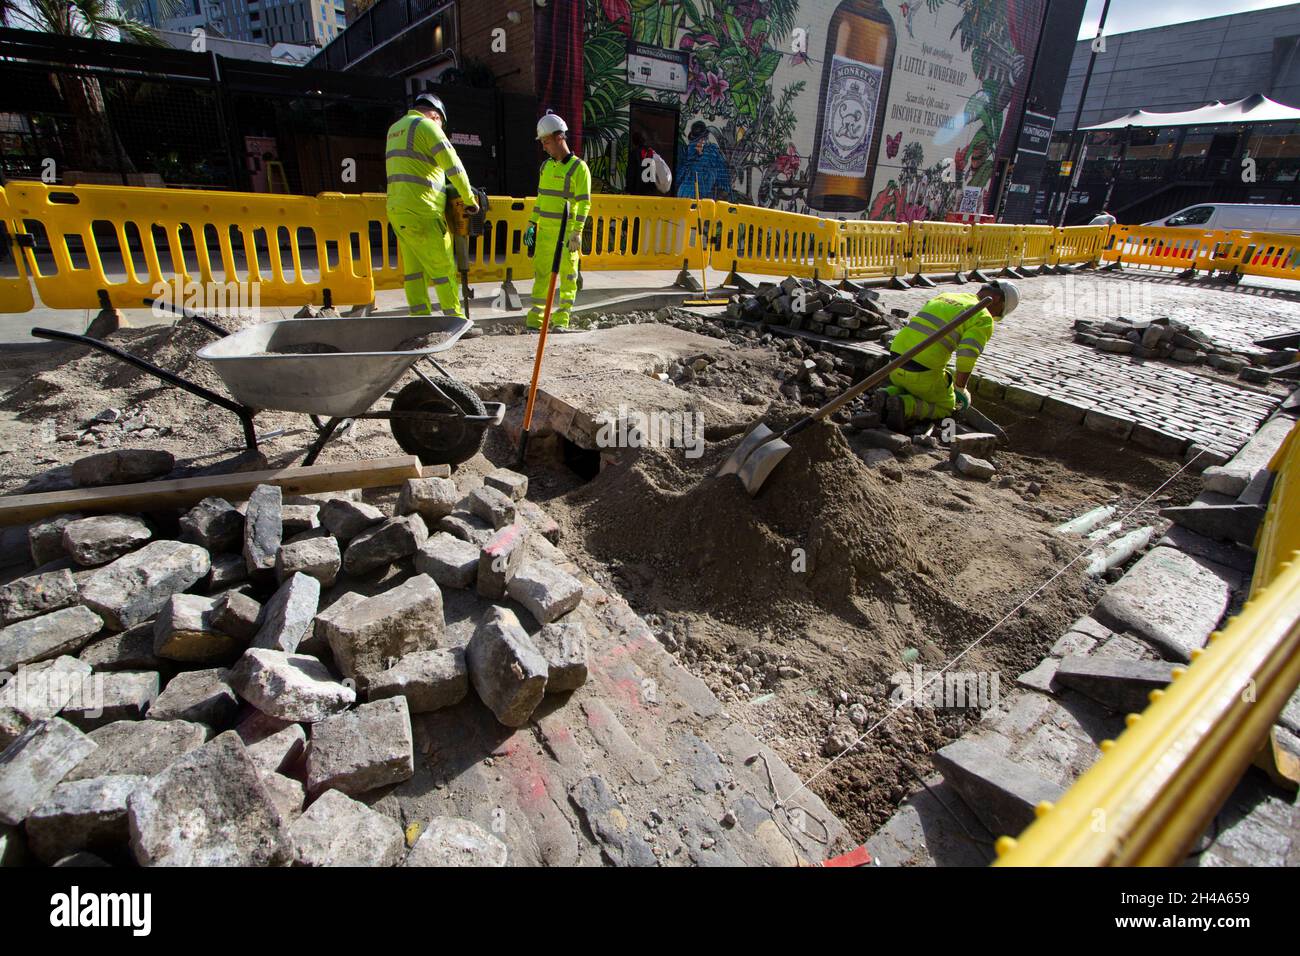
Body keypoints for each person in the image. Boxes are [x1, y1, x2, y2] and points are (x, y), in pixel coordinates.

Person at [871, 280, 1020, 430]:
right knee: (946, 404)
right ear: (998, 300)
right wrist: (960, 387)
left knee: (915, 386)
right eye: (999, 314)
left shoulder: (946, 296)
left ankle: (886, 395)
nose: (994, 317)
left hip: (895, 362)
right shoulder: (983, 316)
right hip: (922, 371)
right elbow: (967, 356)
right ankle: (905, 406)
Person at [384, 92, 476, 318]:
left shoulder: (395, 129)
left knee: (414, 272)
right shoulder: (428, 127)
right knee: (443, 269)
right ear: (436, 116)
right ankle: (455, 321)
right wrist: (469, 199)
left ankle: (420, 321)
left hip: (397, 211)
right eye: (442, 125)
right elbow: (453, 166)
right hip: (424, 210)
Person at [524, 111, 592, 331]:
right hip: (545, 234)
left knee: (568, 277)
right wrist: (532, 224)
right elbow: (541, 198)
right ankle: (535, 321)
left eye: (546, 142)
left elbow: (584, 203)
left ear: (559, 138)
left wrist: (576, 232)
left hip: (566, 235)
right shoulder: (546, 167)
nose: (544, 147)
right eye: (542, 142)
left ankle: (561, 321)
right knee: (542, 276)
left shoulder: (579, 168)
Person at [675, 121, 730, 200]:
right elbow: (679, 177)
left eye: (702, 139)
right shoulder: (688, 153)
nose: (700, 142)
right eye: (697, 140)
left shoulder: (712, 154)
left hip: (705, 199)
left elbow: (721, 177)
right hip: (686, 198)